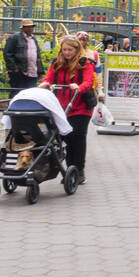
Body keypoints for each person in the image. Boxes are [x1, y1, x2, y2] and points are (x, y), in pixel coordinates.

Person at [38, 35, 96, 183]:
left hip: (81, 106)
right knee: (65, 138)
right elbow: (49, 78)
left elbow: (88, 82)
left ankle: (79, 170)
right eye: (64, 50)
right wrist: (44, 83)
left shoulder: (85, 63)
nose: (67, 53)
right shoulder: (57, 63)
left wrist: (79, 87)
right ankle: (70, 170)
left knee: (77, 136)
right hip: (62, 106)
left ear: (77, 50)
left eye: (70, 50)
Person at [3, 19, 44, 96]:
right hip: (20, 71)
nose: (30, 28)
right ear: (22, 28)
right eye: (27, 27)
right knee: (17, 92)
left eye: (31, 27)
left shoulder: (34, 39)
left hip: (32, 71)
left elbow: (38, 56)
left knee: (31, 93)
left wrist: (39, 71)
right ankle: (14, 107)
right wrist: (14, 68)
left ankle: (27, 107)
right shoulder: (14, 38)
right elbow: (7, 53)